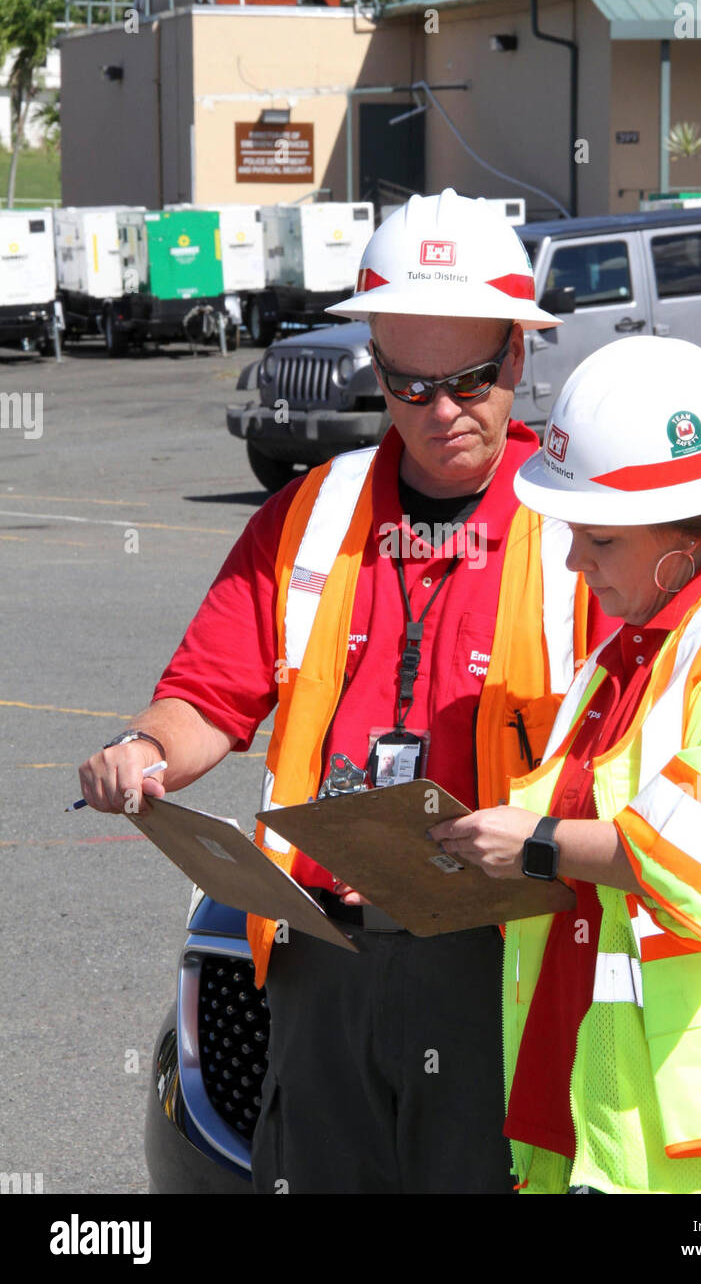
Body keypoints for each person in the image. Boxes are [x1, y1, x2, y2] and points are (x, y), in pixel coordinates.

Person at [76, 188, 615, 1195]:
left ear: (515, 359)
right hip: (321, 954)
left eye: (466, 382)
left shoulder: (585, 533)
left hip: (502, 964)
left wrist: (462, 860)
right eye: (410, 388)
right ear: (377, 368)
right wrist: (144, 753)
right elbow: (206, 695)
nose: (441, 413)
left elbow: (629, 761)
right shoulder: (307, 517)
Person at [430, 334, 701, 1195]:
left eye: (598, 538)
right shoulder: (627, 657)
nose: (573, 561)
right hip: (614, 1131)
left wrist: (538, 843)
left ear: (687, 535)